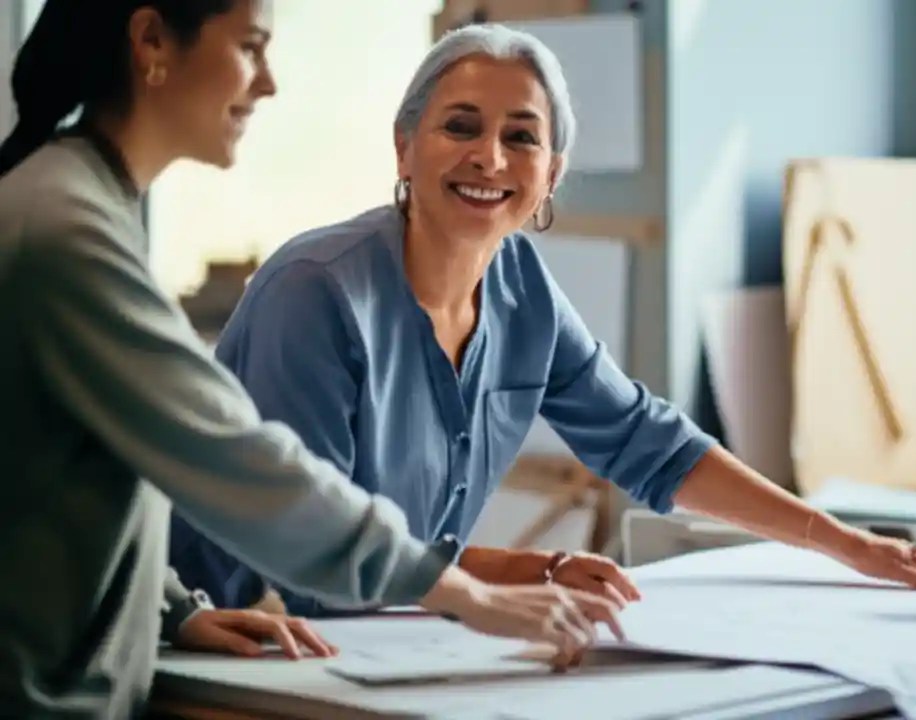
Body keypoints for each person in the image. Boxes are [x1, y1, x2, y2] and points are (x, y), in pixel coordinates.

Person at [169, 22, 916, 620]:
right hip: (216, 643)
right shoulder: (316, 292)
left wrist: (849, 546)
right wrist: (530, 571)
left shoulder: (521, 289)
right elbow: (315, 563)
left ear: (551, 175)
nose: (489, 157)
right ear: (404, 148)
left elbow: (650, 443)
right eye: (460, 126)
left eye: (521, 137)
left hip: (375, 642)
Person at [0, 2, 626, 716]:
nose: (267, 82)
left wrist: (174, 610)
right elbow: (237, 462)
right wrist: (467, 595)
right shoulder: (68, 230)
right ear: (151, 41)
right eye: (250, 47)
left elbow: (94, 471)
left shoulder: (78, 203)